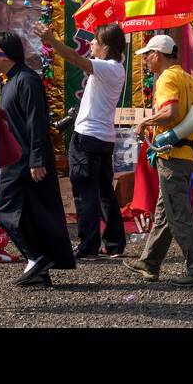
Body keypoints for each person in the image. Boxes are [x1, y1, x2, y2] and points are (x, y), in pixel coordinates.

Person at [124, 35, 193, 287]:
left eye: (147, 55)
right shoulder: (190, 79)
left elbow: (170, 112)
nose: (144, 60)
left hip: (171, 155)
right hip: (185, 155)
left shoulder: (166, 78)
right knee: (166, 212)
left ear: (158, 55)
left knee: (178, 215)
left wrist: (144, 122)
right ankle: (150, 263)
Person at [35, 21, 128, 261]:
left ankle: (88, 247)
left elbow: (77, 60)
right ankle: (115, 244)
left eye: (96, 41)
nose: (91, 44)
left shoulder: (109, 67)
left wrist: (52, 41)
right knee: (104, 192)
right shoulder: (116, 69)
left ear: (106, 47)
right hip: (102, 137)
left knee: (85, 192)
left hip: (88, 137)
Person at [0, 32, 76, 287]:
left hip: (26, 160)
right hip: (16, 159)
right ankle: (39, 268)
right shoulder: (10, 82)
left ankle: (37, 257)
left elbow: (36, 123)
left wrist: (37, 160)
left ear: (4, 55)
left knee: (4, 211)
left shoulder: (27, 80)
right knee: (30, 213)